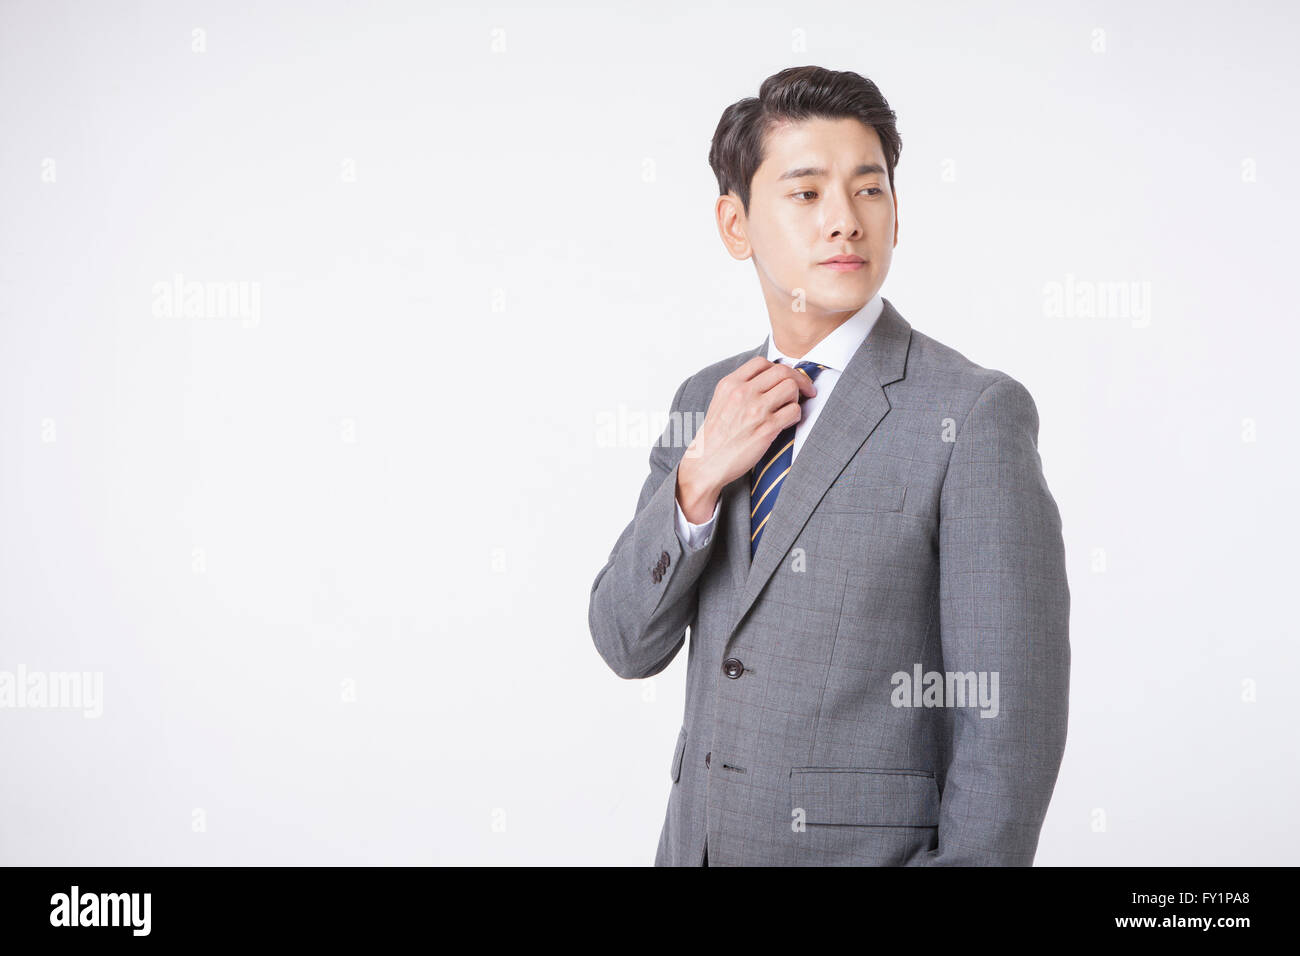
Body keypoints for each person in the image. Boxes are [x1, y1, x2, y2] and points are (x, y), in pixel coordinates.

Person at [588, 65, 1070, 866]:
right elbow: (623, 642)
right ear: (735, 225)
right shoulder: (705, 398)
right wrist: (697, 480)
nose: (844, 221)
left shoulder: (973, 416)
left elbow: (1011, 724)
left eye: (869, 190)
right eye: (807, 193)